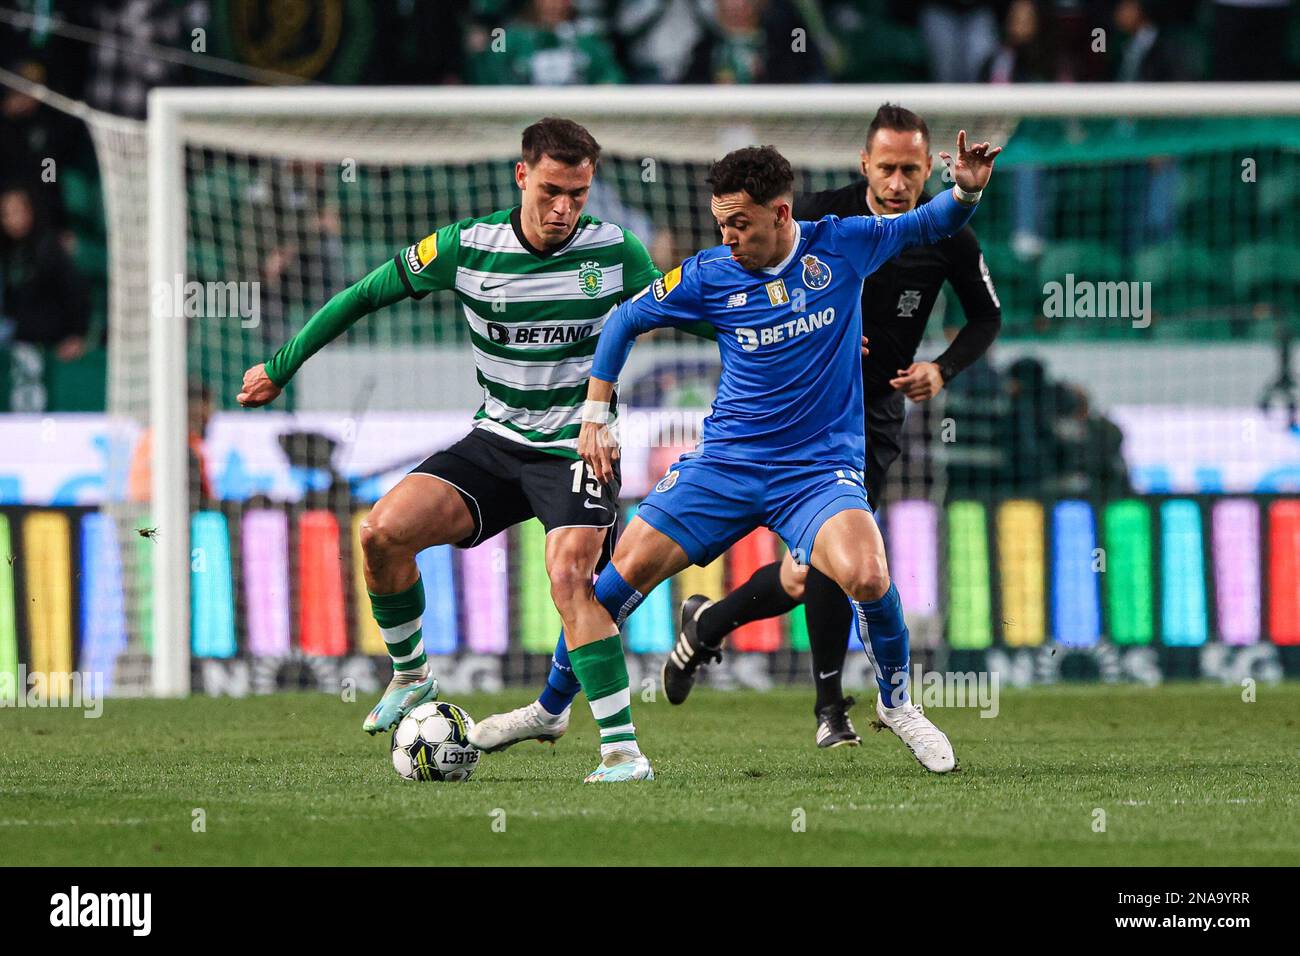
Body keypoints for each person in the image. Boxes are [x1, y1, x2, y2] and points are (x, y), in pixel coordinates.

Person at [477, 132, 999, 775]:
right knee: (610, 586)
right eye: (719, 223)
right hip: (724, 464)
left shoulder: (844, 242)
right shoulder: (707, 273)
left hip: (816, 470)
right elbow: (623, 321)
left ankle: (896, 705)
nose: (727, 237)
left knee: (867, 575)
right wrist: (594, 412)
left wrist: (968, 186)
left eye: (739, 224)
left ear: (781, 215)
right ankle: (551, 708)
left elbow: (934, 219)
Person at [236, 118, 665, 782]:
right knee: (381, 532)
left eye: (578, 195)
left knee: (568, 578)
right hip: (495, 441)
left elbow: (698, 309)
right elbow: (364, 294)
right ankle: (411, 676)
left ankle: (622, 752)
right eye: (551, 190)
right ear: (521, 175)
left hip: (577, 447)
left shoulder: (617, 253)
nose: (563, 209)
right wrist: (282, 365)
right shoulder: (467, 246)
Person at [675, 104, 1003, 748]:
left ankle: (709, 623)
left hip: (873, 412)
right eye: (887, 168)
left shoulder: (945, 234)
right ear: (865, 165)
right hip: (799, 408)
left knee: (814, 570)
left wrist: (942, 368)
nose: (900, 182)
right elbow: (739, 283)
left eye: (912, 169)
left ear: (927, 167)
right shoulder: (819, 218)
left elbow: (987, 318)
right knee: (823, 563)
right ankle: (829, 706)